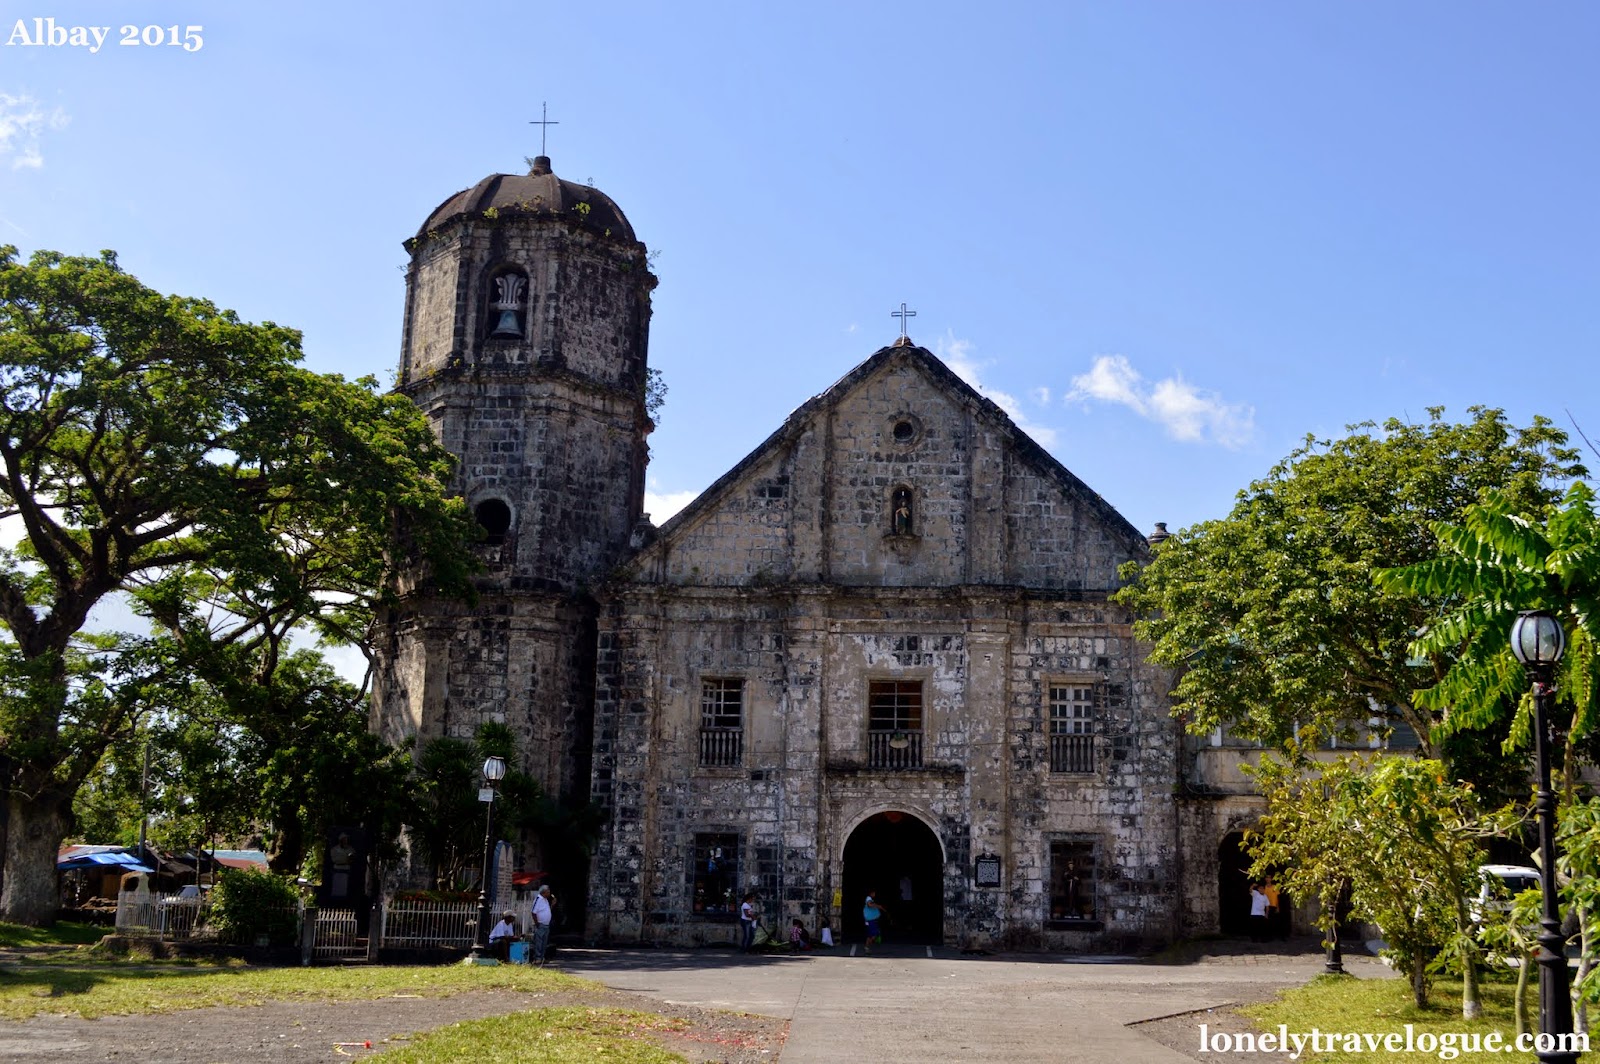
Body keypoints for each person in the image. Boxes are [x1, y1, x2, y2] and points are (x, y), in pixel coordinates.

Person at [531, 885, 554, 965]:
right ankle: (537, 958)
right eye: (548, 892)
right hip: (540, 924)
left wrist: (552, 905)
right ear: (544, 892)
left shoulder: (545, 900)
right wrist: (537, 923)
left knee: (544, 943)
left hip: (546, 924)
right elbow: (533, 912)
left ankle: (542, 957)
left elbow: (547, 910)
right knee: (538, 942)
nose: (549, 893)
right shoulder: (538, 899)